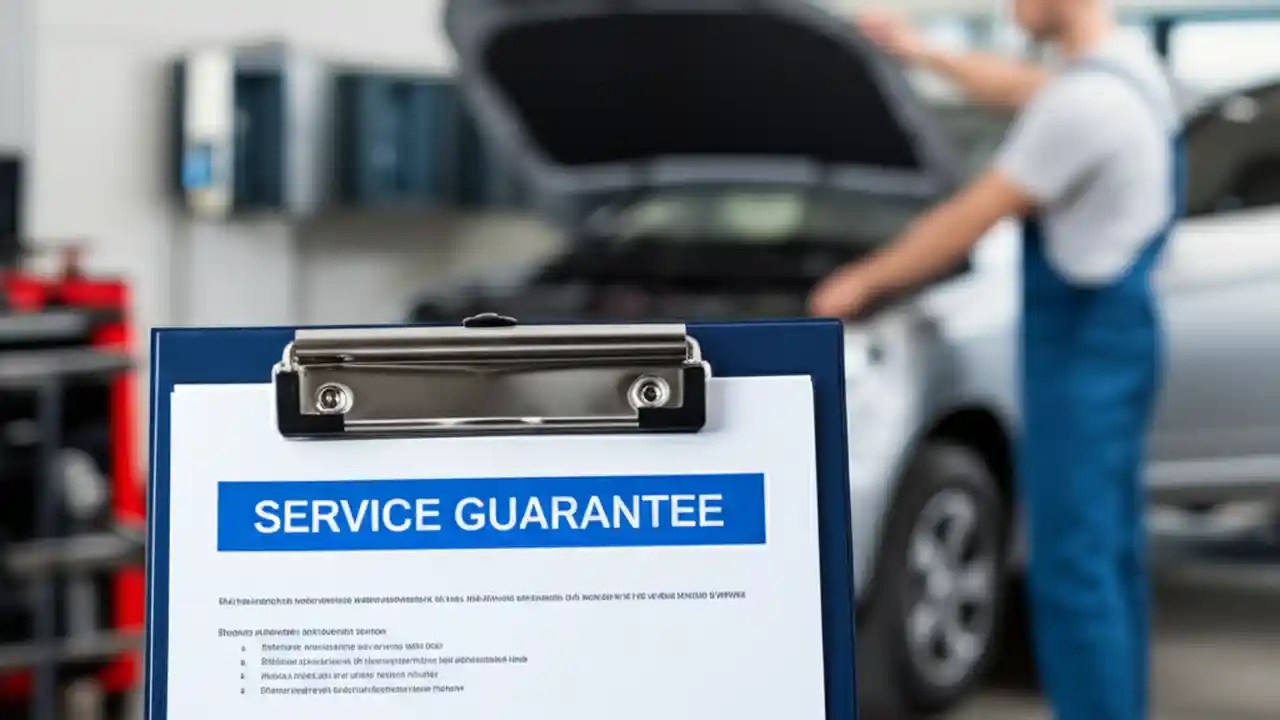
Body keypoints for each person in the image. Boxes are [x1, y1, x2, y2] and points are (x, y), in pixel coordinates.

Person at [810, 1, 1183, 718]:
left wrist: (855, 284)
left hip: (1082, 352)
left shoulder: (1084, 104)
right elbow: (1016, 87)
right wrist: (918, 52)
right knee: (1109, 555)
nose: (1012, 6)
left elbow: (966, 219)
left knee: (1073, 569)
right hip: (1120, 336)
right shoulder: (1125, 70)